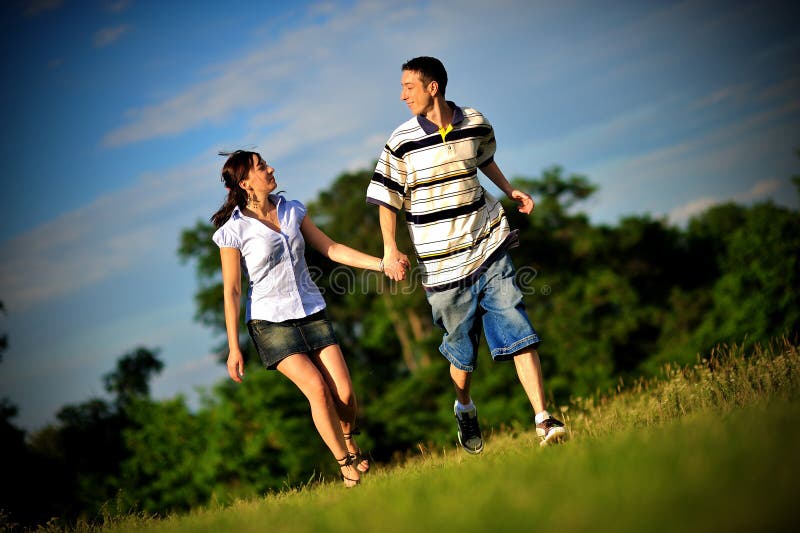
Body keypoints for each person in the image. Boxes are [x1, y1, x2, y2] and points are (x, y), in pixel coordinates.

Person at [366, 56, 567, 453]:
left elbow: (484, 159)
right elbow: (386, 198)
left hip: (487, 242)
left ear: (432, 87)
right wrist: (390, 249)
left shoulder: (475, 121)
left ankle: (544, 420)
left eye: (409, 86)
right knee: (462, 350)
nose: (402, 95)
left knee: (516, 321)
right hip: (441, 264)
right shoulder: (401, 140)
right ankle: (464, 407)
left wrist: (509, 190)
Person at [212, 150, 406, 487]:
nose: (270, 169)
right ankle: (345, 464)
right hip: (270, 323)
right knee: (317, 390)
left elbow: (331, 248)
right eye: (261, 168)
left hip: (311, 311)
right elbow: (231, 290)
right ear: (245, 183)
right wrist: (233, 346)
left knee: (344, 394)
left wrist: (382, 263)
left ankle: (348, 438)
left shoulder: (292, 209)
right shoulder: (233, 231)